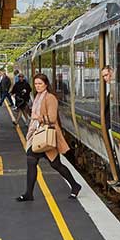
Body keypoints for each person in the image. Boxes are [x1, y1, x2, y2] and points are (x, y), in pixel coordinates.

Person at [18, 73, 82, 202]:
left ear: (46, 84)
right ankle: (28, 194)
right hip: (38, 135)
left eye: (40, 84)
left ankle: (75, 185)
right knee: (31, 161)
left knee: (56, 165)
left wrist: (37, 117)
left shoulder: (50, 98)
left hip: (47, 136)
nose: (38, 86)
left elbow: (52, 118)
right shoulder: (37, 97)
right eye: (36, 84)